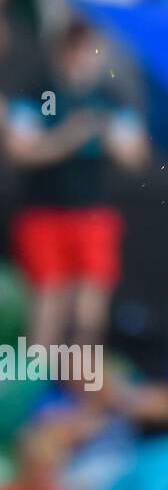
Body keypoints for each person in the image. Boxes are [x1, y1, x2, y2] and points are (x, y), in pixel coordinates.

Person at [5, 19, 149, 356]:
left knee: (89, 311)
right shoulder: (39, 93)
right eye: (74, 49)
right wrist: (69, 137)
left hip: (92, 214)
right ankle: (36, 390)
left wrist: (112, 138)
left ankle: (83, 394)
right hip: (44, 213)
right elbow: (21, 152)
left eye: (90, 50)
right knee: (49, 305)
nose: (82, 58)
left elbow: (135, 156)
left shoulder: (111, 100)